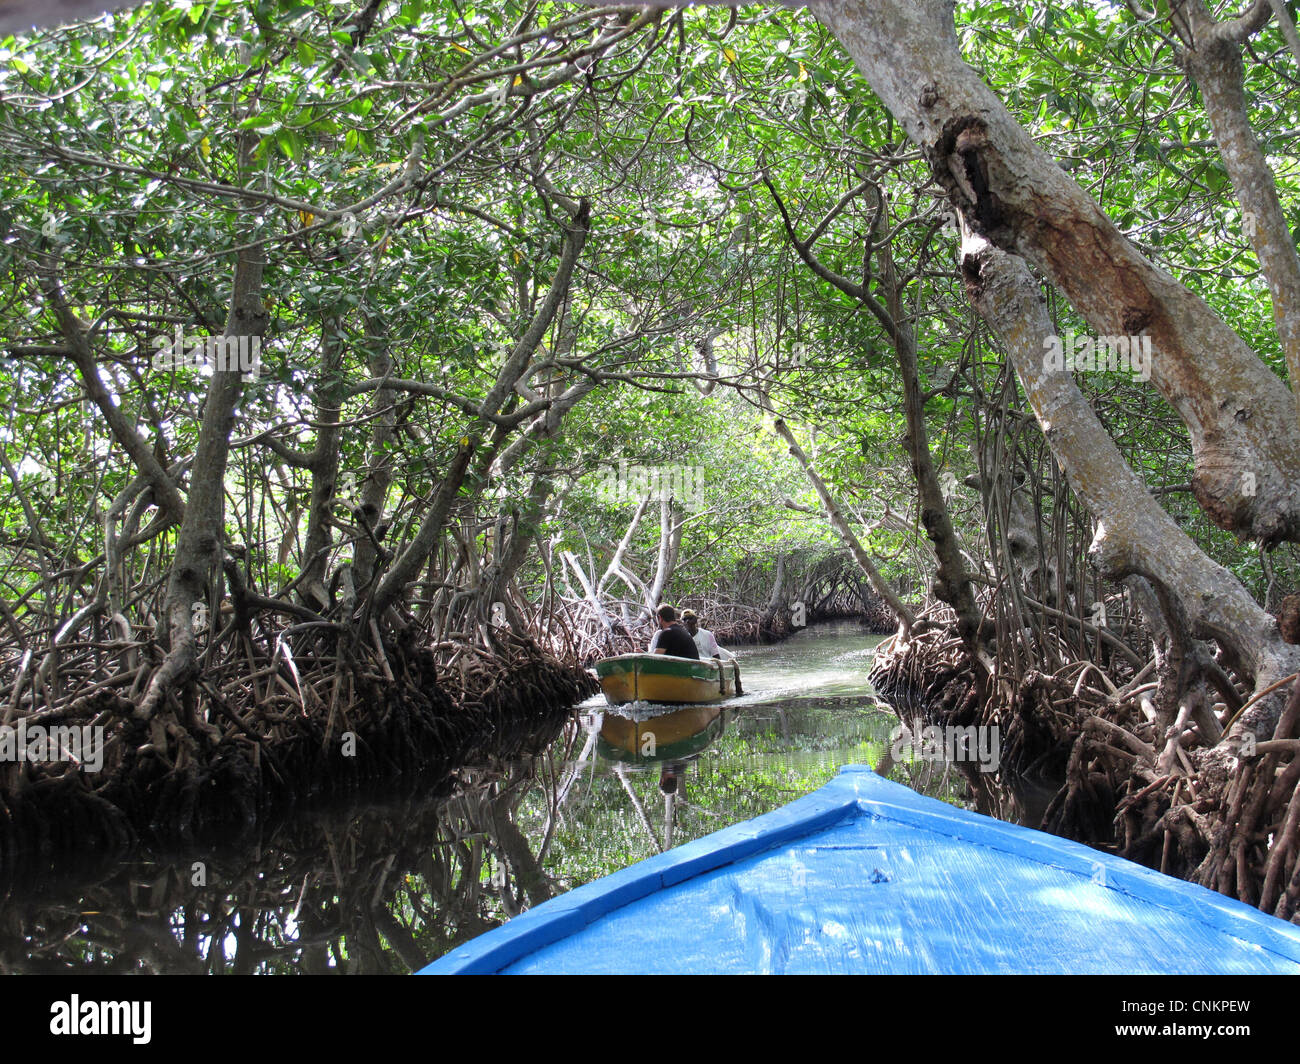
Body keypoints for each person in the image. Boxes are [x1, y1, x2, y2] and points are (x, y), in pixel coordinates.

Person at [681, 609, 743, 694]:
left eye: (690, 618)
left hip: (708, 667)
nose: (687, 621)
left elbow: (716, 657)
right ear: (682, 623)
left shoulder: (707, 635)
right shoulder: (682, 637)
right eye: (684, 619)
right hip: (692, 668)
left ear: (695, 620)